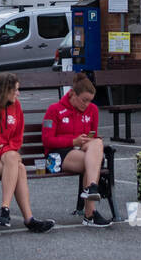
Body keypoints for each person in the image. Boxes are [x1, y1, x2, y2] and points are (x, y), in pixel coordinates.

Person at [0, 72, 54, 232]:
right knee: (18, 166)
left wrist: (1, 152)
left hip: (6, 156)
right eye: (15, 90)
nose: (18, 94)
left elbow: (17, 138)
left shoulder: (17, 106)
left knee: (14, 160)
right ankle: (28, 219)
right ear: (4, 90)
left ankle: (7, 210)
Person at [43, 74, 109, 227]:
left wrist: (88, 141)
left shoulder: (93, 110)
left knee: (97, 143)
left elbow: (94, 135)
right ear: (73, 94)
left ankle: (90, 187)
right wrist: (73, 141)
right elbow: (47, 140)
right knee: (93, 163)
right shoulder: (54, 110)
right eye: (84, 100)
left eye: (90, 101)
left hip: (83, 151)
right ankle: (90, 214)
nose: (87, 104)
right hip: (58, 154)